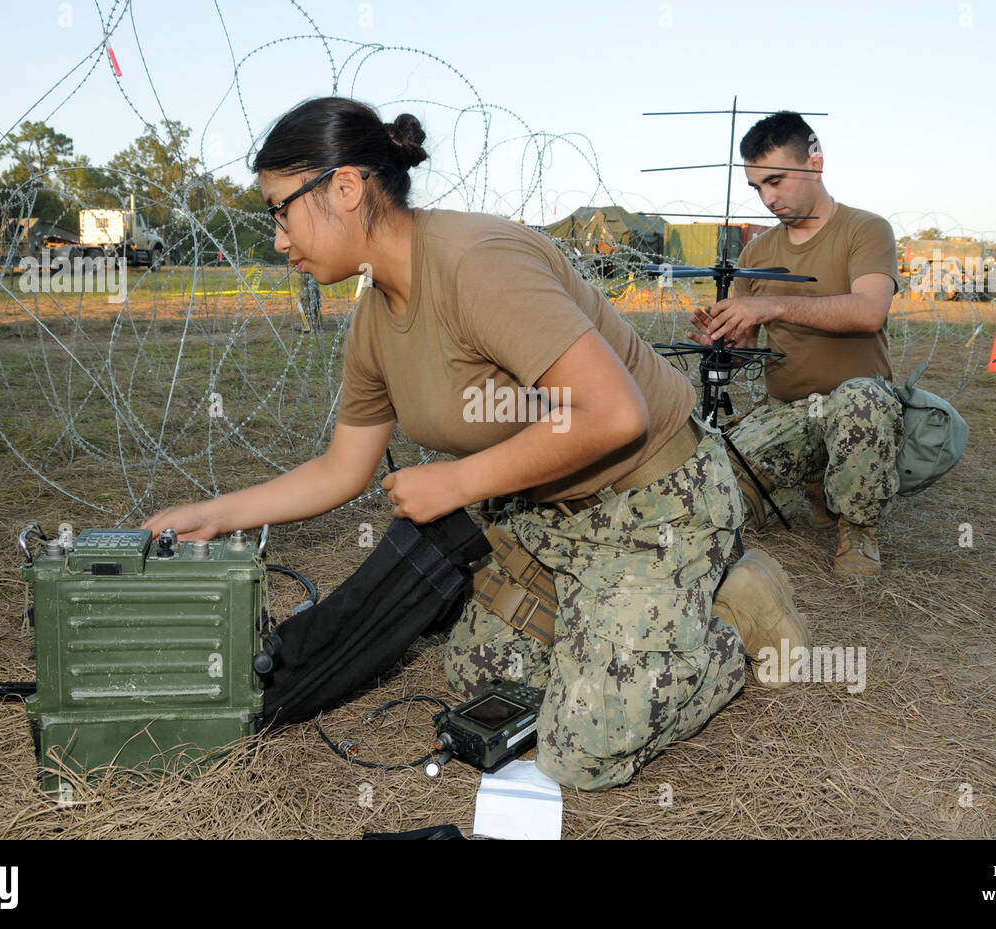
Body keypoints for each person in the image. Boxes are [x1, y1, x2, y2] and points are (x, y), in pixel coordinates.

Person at [142, 96, 799, 790]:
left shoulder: (475, 260)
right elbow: (343, 467)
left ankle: (731, 617)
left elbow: (614, 413)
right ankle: (605, 622)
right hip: (546, 519)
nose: (278, 237)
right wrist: (218, 514)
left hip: (656, 502)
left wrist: (455, 483)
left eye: (281, 208)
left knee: (583, 749)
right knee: (480, 677)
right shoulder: (374, 316)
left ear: (344, 186)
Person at [690, 112, 903, 577]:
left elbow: (869, 310)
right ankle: (810, 481)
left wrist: (770, 307)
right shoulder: (758, 252)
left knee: (861, 398)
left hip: (855, 405)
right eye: (757, 188)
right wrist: (722, 338)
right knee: (711, 485)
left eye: (776, 181)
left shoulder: (865, 229)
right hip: (787, 409)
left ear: (815, 164)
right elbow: (746, 342)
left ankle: (858, 528)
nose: (768, 199)